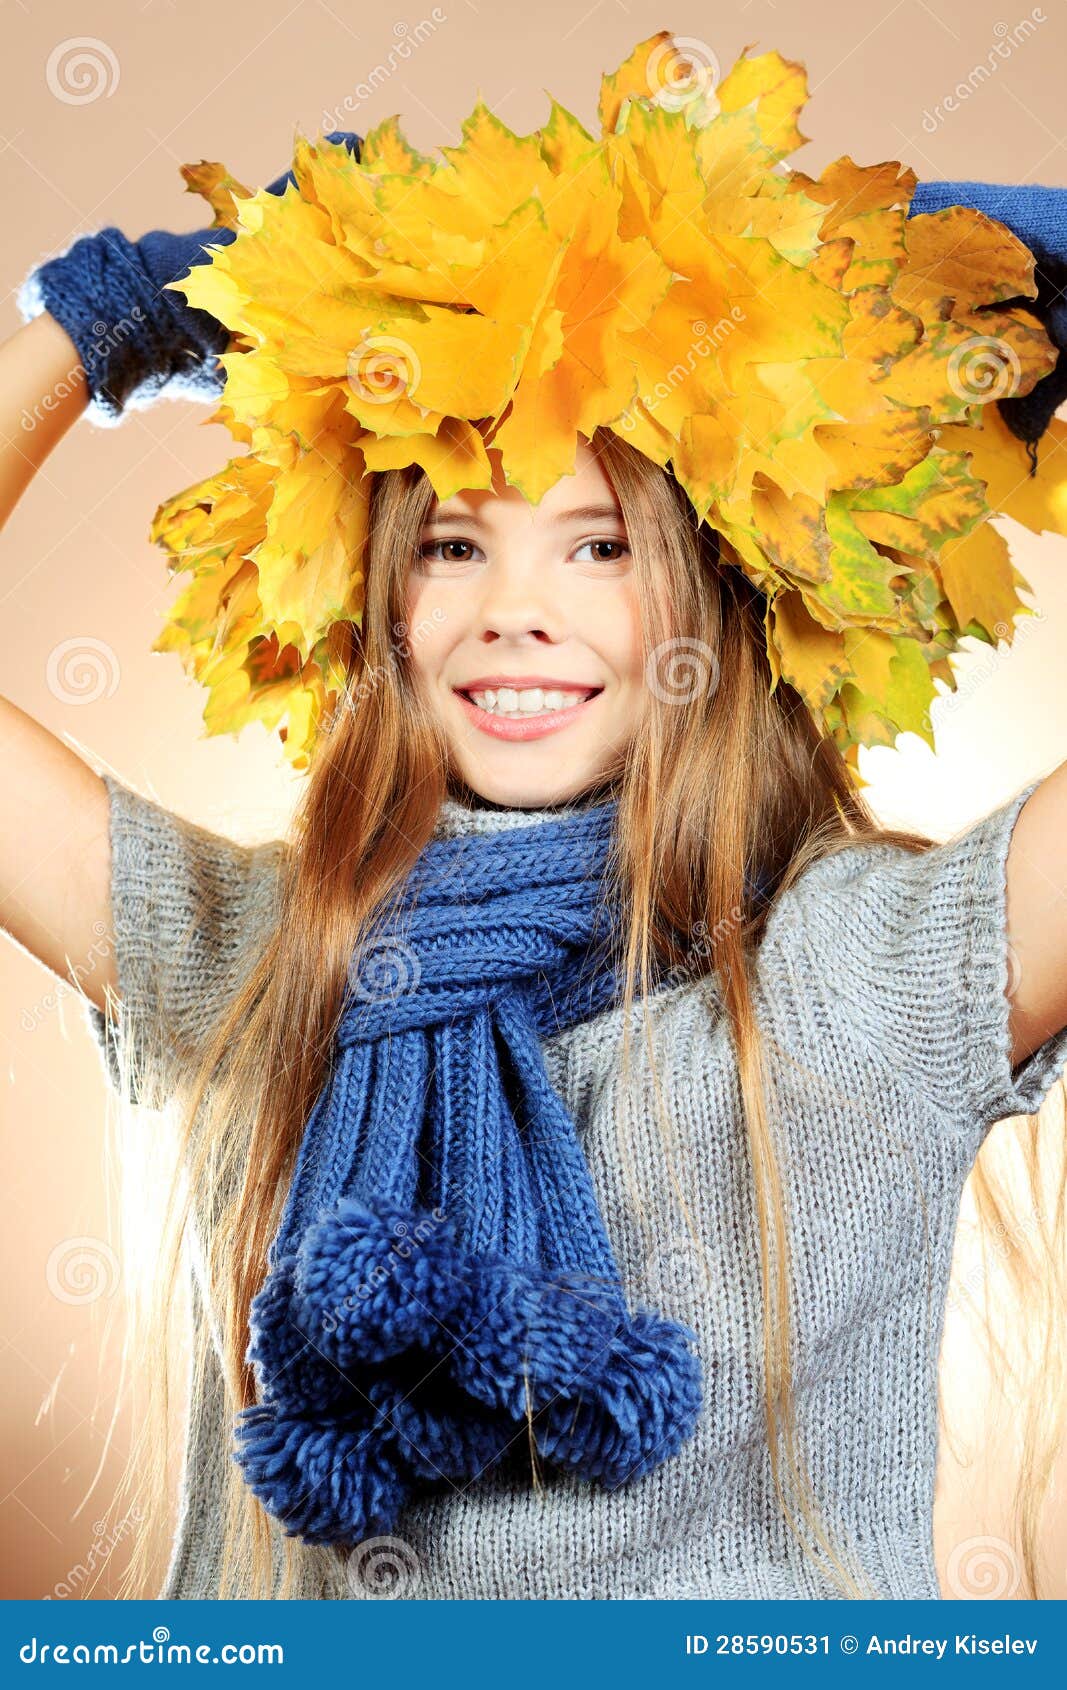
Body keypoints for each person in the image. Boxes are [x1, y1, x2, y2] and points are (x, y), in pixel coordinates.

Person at [3, 65, 1067, 1603]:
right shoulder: (250, 962)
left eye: (599, 543)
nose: (515, 609)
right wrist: (100, 323)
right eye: (450, 540)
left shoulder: (858, 973)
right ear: (380, 601)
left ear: (717, 592)